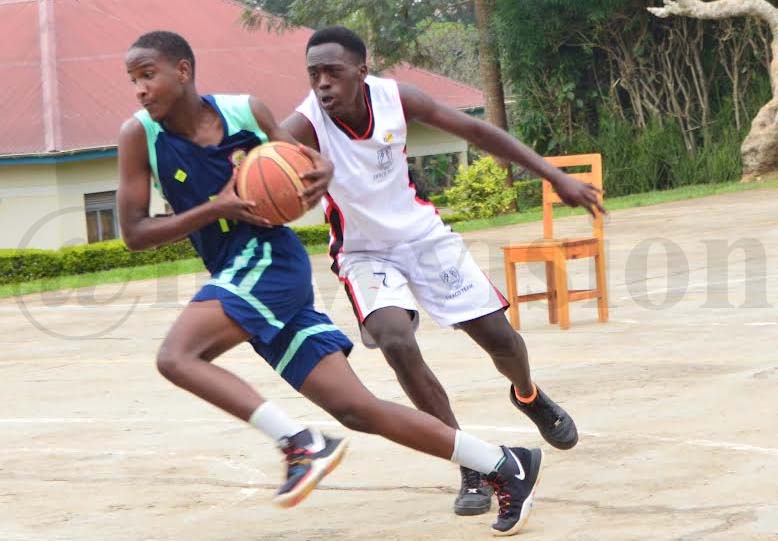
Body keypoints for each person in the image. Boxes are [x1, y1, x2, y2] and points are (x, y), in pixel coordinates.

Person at [117, 30, 544, 536]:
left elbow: (305, 161)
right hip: (237, 273)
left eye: (148, 75)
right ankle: (505, 464)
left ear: (183, 71)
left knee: (176, 356)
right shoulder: (138, 136)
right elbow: (134, 234)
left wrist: (316, 171)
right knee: (356, 410)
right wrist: (217, 208)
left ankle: (298, 444)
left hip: (270, 262)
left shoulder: (244, 112)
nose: (140, 89)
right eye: (133, 80)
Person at [283, 26, 606, 516]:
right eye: (314, 74)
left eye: (333, 72)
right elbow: (259, 153)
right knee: (394, 340)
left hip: (424, 237)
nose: (322, 83)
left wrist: (553, 174)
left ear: (362, 72)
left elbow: (477, 132)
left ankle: (528, 395)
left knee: (501, 340)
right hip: (364, 252)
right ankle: (472, 464)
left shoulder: (397, 99)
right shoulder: (307, 123)